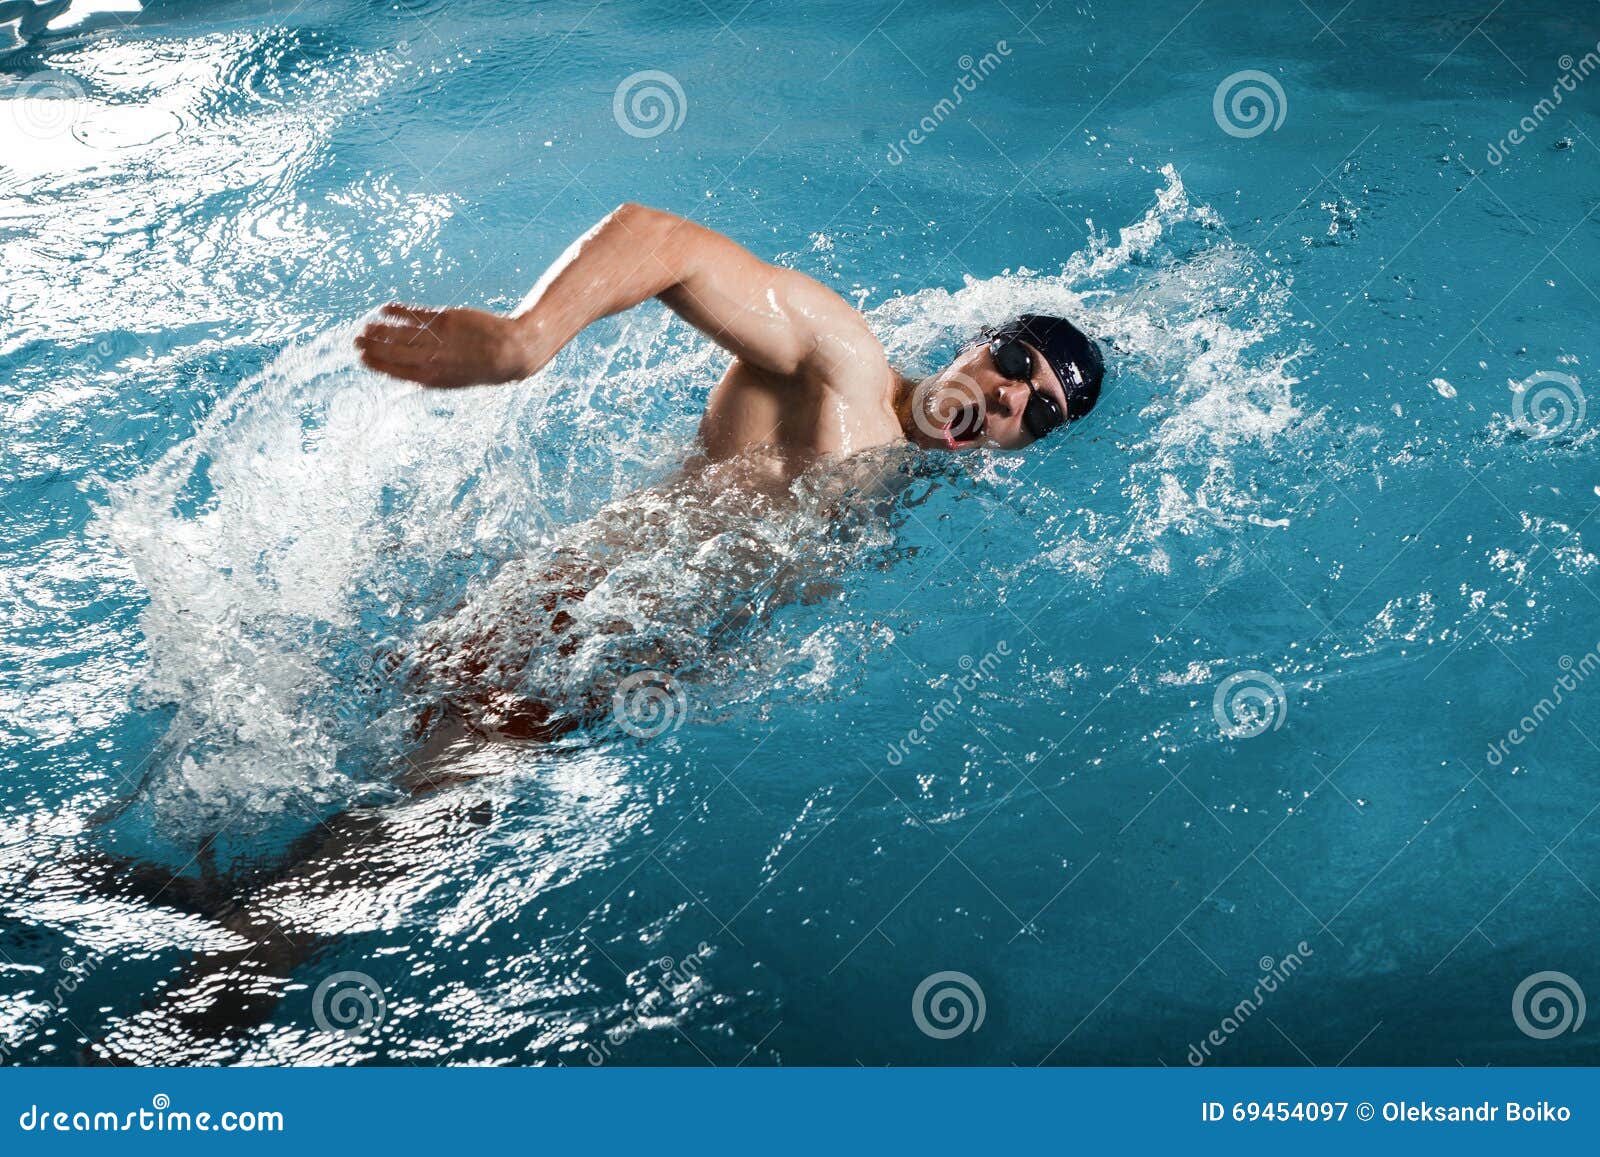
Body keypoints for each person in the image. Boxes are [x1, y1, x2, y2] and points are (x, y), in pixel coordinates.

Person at [355, 203, 1105, 472]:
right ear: (976, 342)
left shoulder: (908, 476)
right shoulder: (846, 362)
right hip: (552, 634)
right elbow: (661, 241)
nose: (1009, 396)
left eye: (1038, 413)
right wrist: (524, 341)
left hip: (610, 688)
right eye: (1013, 360)